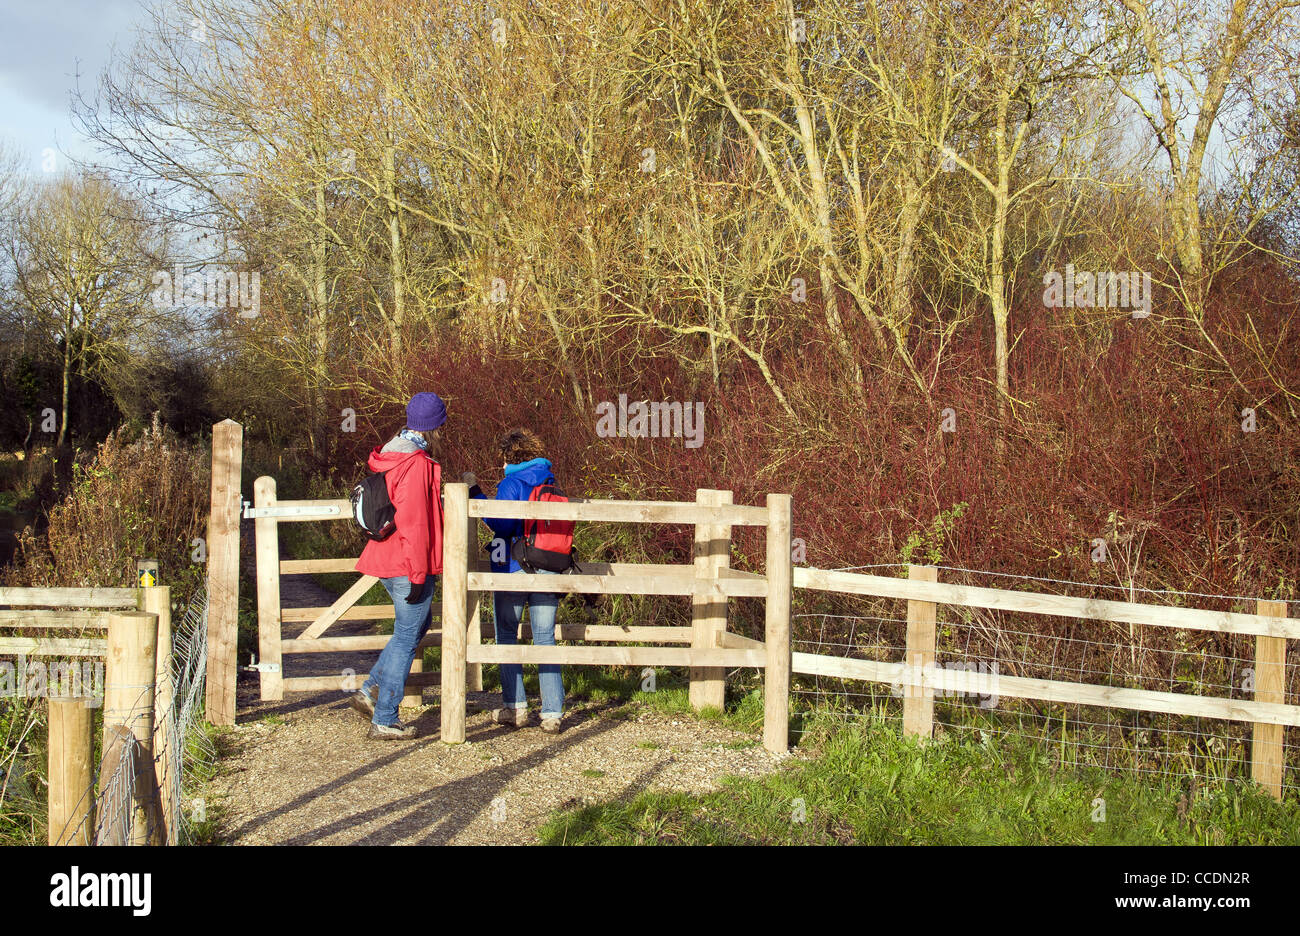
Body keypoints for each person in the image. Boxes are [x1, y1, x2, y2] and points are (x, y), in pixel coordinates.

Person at [349, 391, 446, 739]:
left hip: (386, 560)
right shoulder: (416, 464)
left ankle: (369, 690)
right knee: (407, 638)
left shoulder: (390, 454)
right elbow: (416, 523)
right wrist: (420, 573)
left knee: (415, 629)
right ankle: (385, 718)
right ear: (435, 427)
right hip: (407, 563)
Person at [464, 428, 565, 734]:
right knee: (545, 637)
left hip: (513, 565)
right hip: (548, 564)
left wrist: (475, 493)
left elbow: (502, 523)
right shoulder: (551, 480)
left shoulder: (512, 482)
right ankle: (552, 713)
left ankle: (516, 707)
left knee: (507, 635)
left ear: (508, 456)